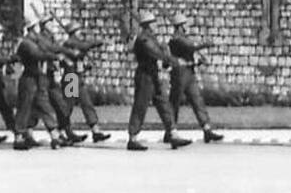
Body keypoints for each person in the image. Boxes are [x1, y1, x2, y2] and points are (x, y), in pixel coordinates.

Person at [126, 11, 191, 151]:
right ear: (148, 25)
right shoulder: (144, 39)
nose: (156, 25)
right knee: (140, 106)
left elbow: (160, 53)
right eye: (154, 22)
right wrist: (171, 59)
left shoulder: (151, 38)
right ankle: (132, 138)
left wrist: (166, 56)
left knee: (164, 104)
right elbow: (154, 53)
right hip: (145, 76)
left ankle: (173, 133)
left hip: (153, 74)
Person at [167, 14, 223, 143]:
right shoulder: (176, 39)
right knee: (174, 103)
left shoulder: (183, 39)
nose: (187, 26)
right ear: (180, 26)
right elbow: (190, 47)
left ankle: (207, 129)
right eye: (185, 24)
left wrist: (198, 61)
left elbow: (189, 53)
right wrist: (205, 44)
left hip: (189, 72)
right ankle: (170, 131)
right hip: (179, 73)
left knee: (197, 100)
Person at [12, 17, 65, 150]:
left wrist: (63, 49)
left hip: (43, 78)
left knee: (47, 106)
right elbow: (38, 54)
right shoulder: (27, 43)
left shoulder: (38, 41)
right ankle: (20, 136)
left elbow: (50, 47)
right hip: (33, 78)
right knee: (25, 108)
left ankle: (56, 134)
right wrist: (56, 55)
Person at [58, 21, 111, 143]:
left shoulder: (75, 43)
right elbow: (83, 47)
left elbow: (79, 56)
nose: (80, 32)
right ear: (73, 32)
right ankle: (61, 131)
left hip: (77, 76)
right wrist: (98, 42)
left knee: (87, 104)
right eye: (78, 30)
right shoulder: (70, 42)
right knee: (67, 107)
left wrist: (86, 66)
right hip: (70, 77)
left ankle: (95, 131)